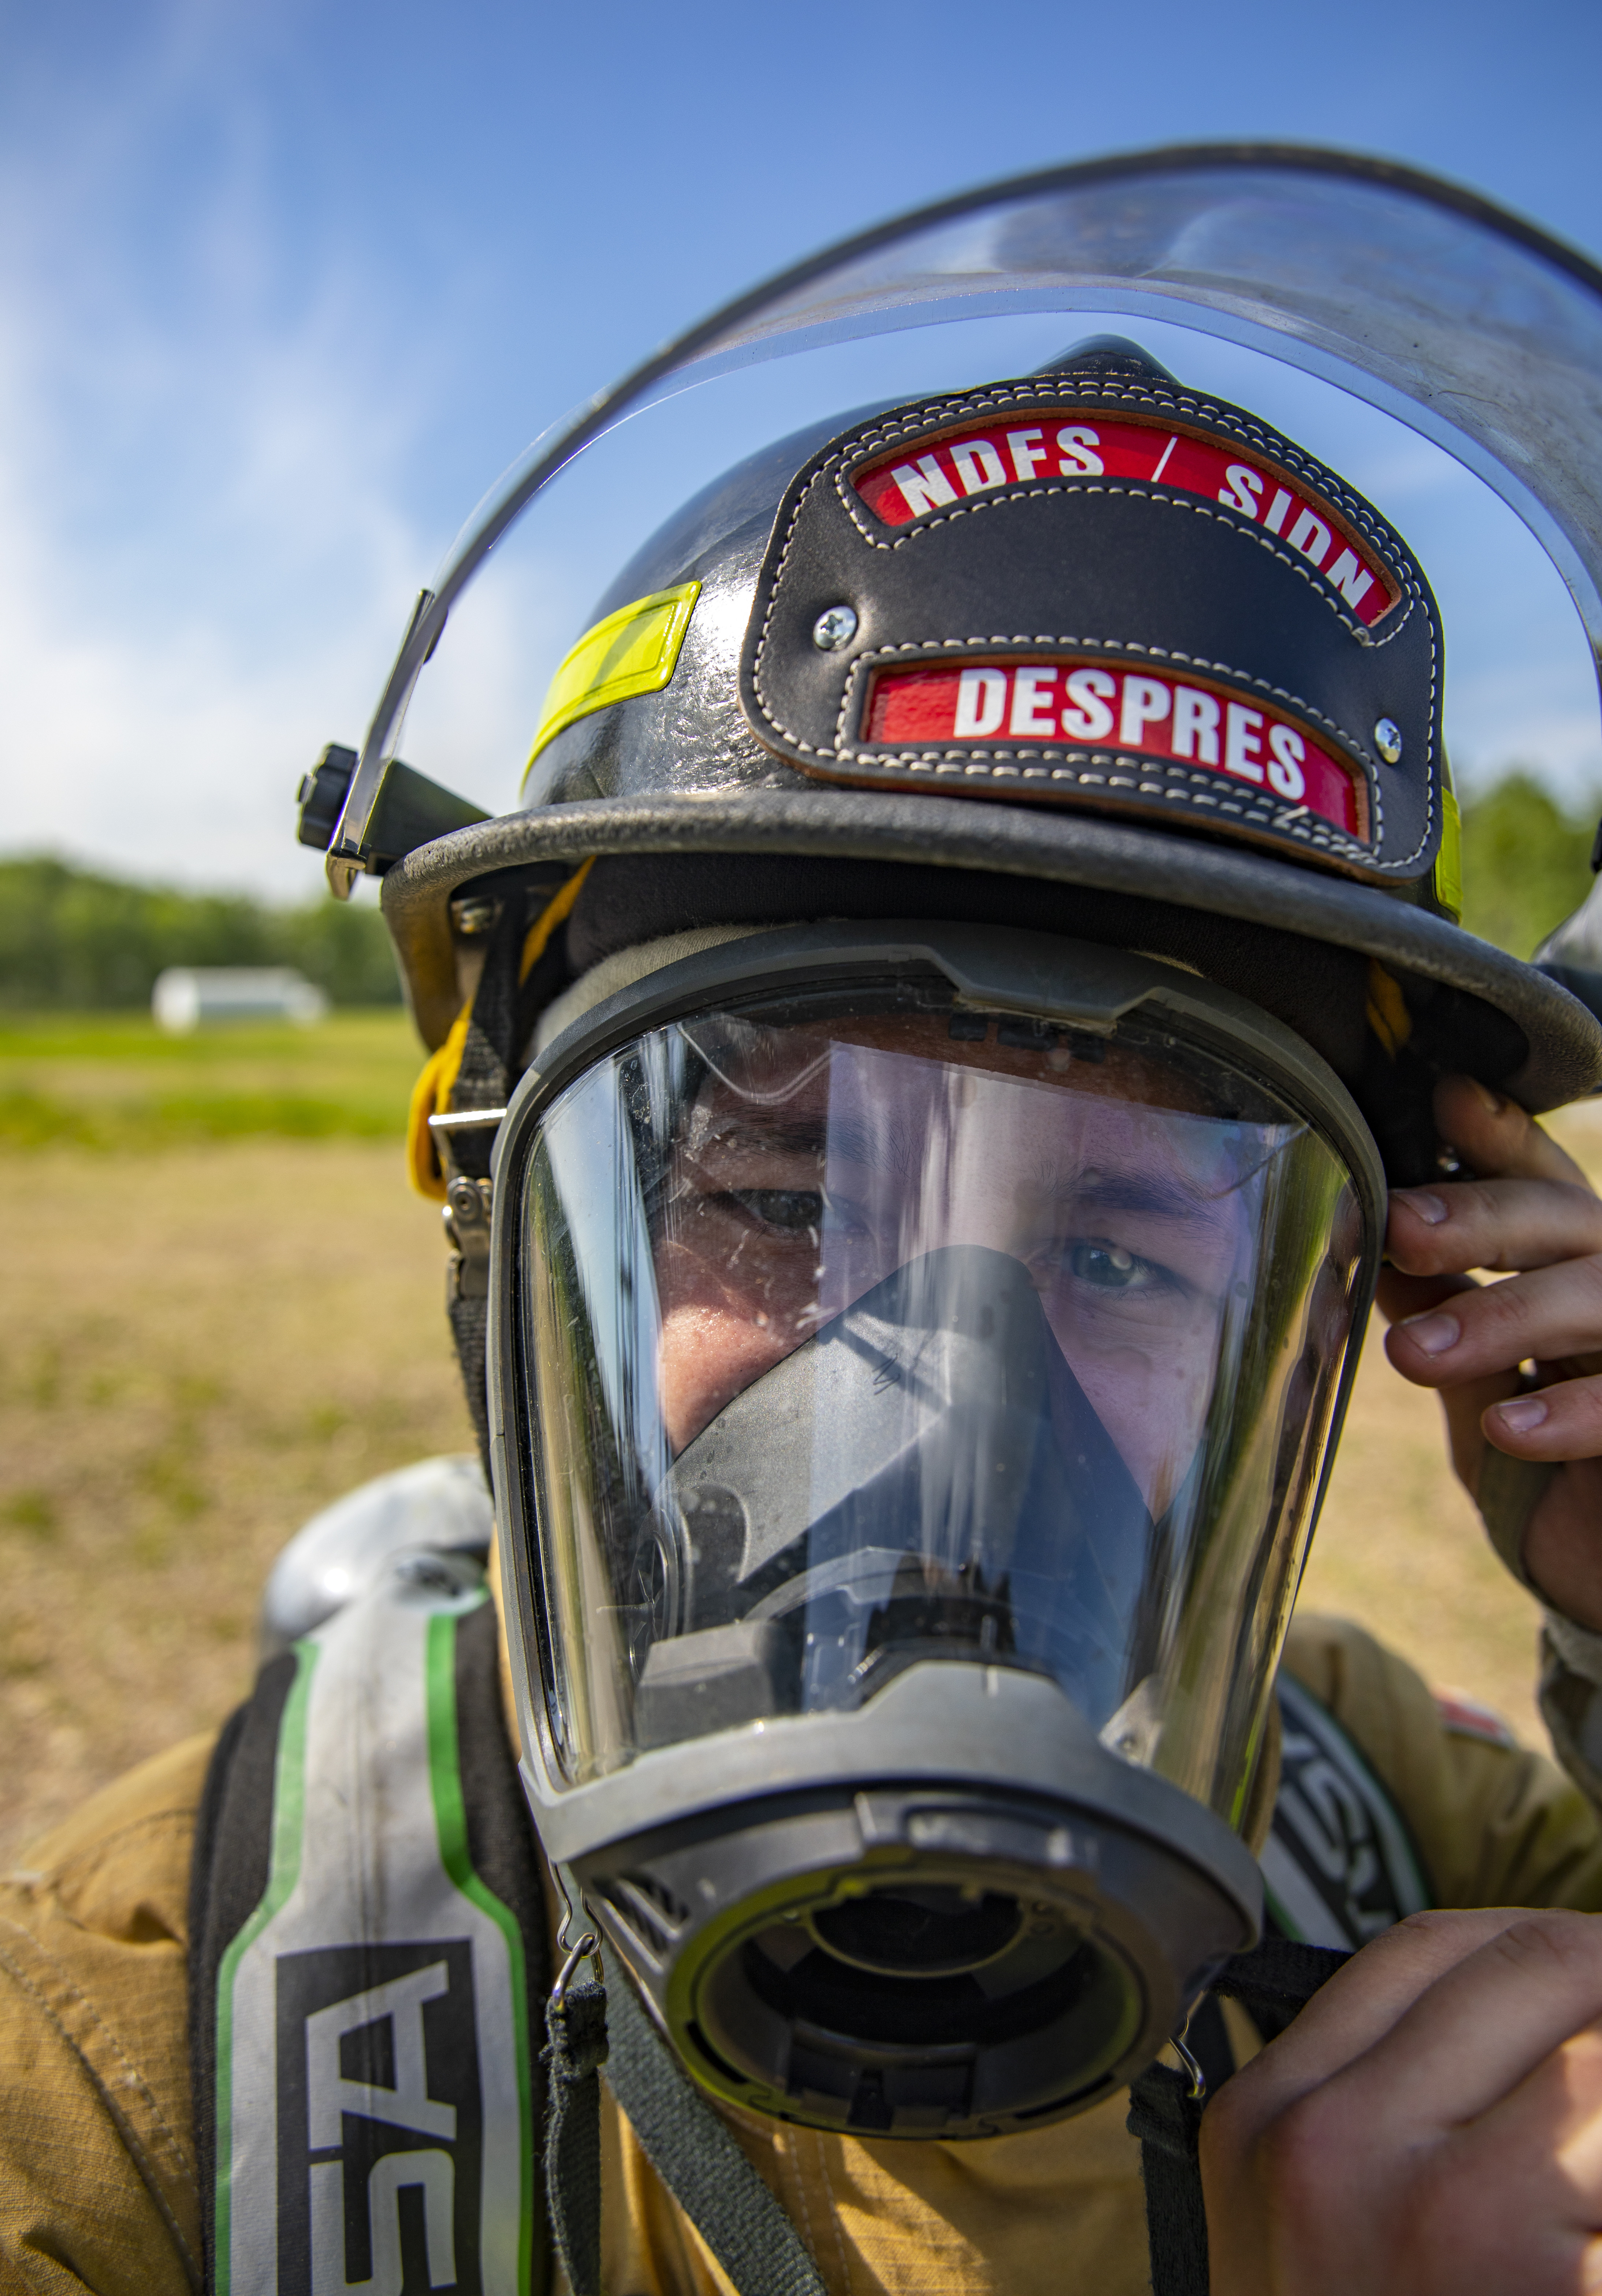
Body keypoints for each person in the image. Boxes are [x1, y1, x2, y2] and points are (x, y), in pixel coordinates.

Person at [8, 333, 1602, 2296]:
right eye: (779, 1201)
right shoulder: (156, 2053)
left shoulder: (1399, 1820)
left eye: (1116, 1257)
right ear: (514, 1240)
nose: (950, 1404)